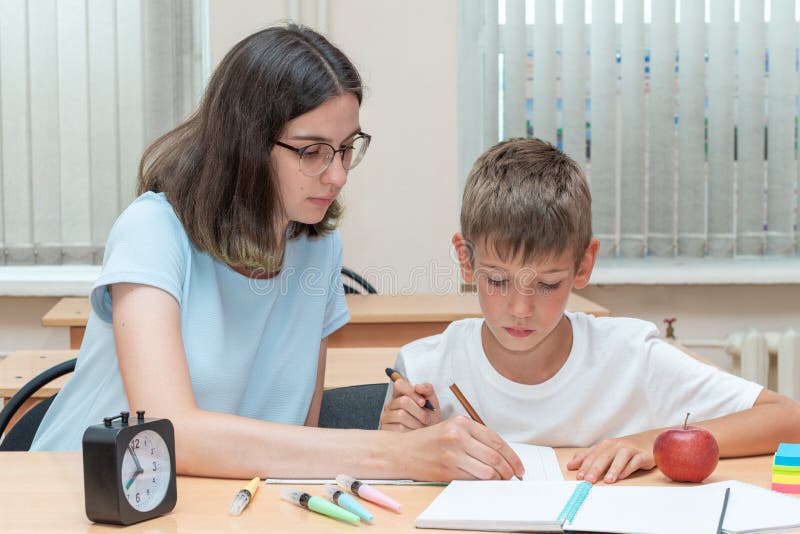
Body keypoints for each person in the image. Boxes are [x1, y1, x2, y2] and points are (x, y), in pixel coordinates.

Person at [31, 24, 525, 482]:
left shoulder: (320, 249)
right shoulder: (153, 231)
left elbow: (298, 436)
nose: (338, 175)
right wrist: (392, 454)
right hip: (84, 495)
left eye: (346, 147)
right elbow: (169, 431)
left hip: (221, 500)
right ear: (245, 143)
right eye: (312, 152)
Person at [380, 137, 800, 484]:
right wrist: (401, 446)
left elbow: (788, 419)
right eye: (497, 280)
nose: (520, 309)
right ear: (466, 261)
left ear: (584, 265)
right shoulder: (425, 366)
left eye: (547, 284)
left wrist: (648, 441)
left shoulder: (631, 355)